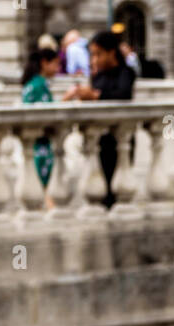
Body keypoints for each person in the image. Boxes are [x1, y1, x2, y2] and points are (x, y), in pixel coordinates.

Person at [61, 30, 135, 206]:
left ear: (111, 52)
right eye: (92, 55)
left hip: (118, 137)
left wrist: (94, 96)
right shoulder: (98, 75)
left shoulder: (126, 72)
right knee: (98, 184)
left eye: (98, 54)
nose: (94, 59)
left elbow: (123, 94)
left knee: (116, 185)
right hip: (98, 137)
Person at [21, 47, 59, 205]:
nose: (58, 69)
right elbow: (49, 113)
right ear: (44, 63)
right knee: (44, 185)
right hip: (41, 142)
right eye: (56, 64)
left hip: (34, 142)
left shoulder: (32, 83)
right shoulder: (39, 84)